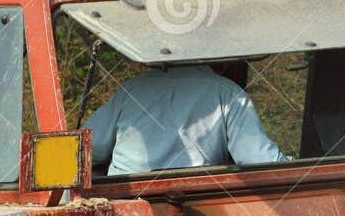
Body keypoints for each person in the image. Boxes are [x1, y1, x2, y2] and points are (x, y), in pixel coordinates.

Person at [86, 63, 289, 176]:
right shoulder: (227, 92)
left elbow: (87, 151)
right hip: (196, 204)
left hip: (125, 203)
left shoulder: (132, 89)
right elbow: (261, 161)